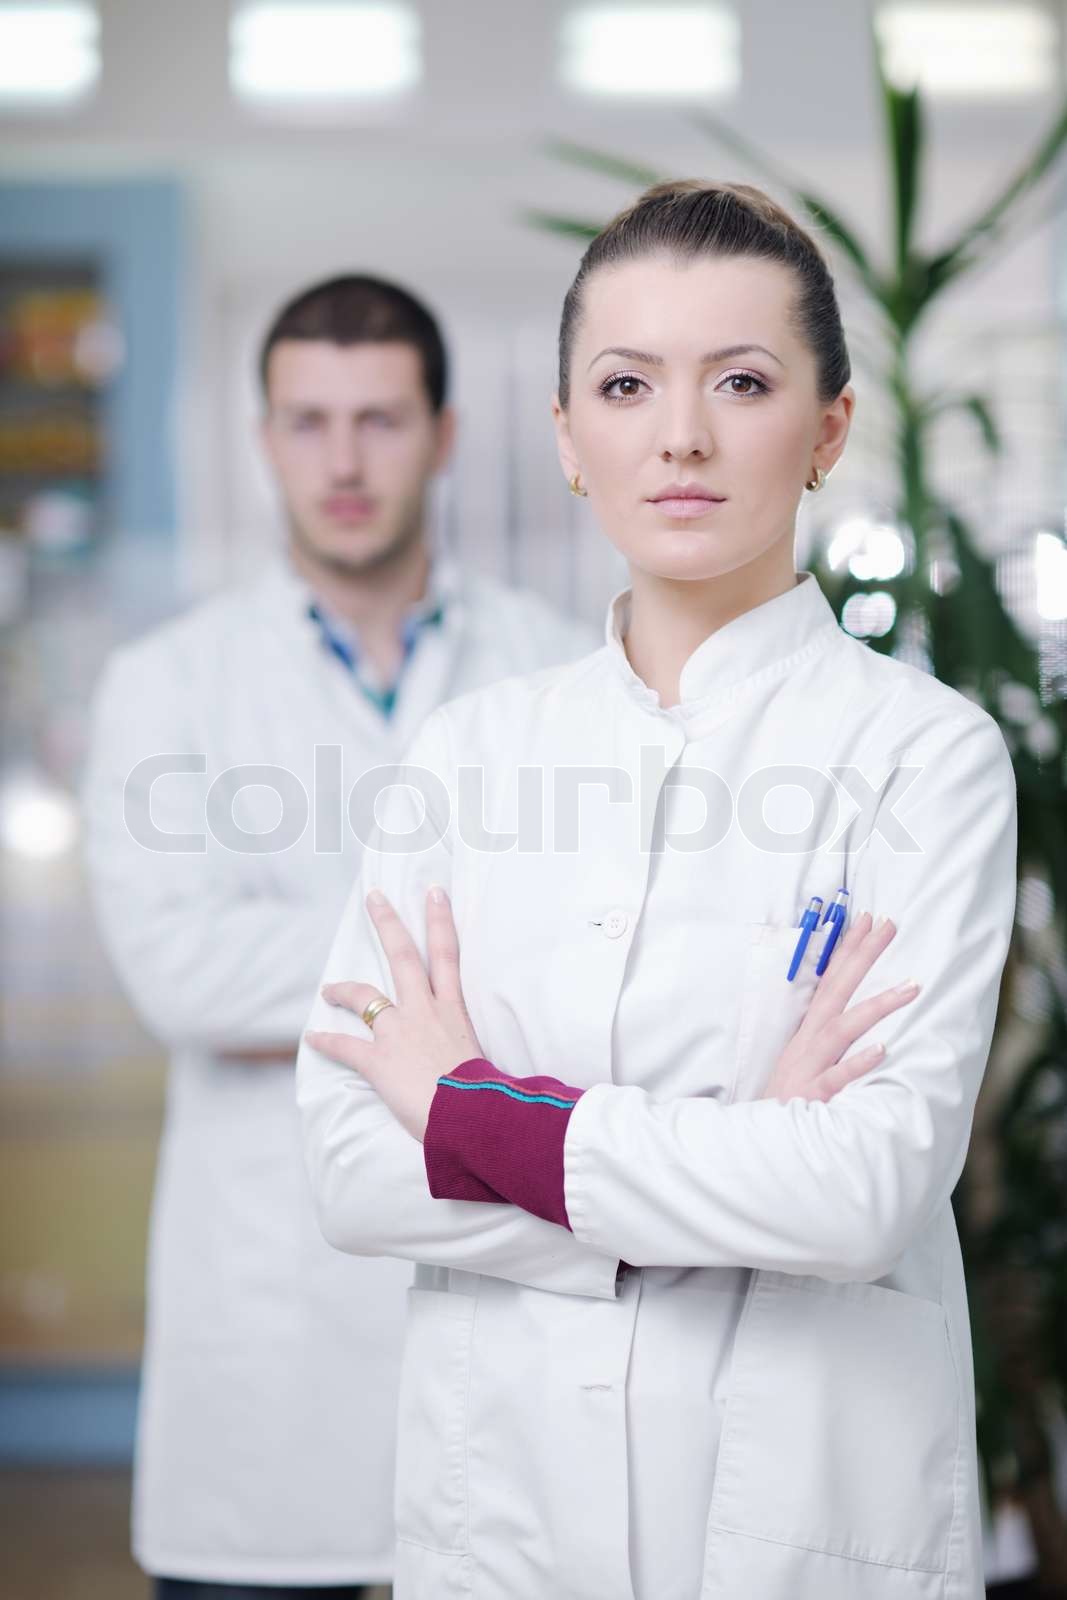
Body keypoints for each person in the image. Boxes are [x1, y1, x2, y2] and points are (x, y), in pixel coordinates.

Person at [296, 184, 1018, 1600]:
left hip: (799, 1529)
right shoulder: (471, 752)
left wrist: (470, 1110)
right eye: (626, 385)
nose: (680, 435)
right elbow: (349, 1164)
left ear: (827, 430)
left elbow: (863, 1191)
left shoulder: (928, 757)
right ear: (569, 437)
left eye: (742, 382)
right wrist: (735, 1163)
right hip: (503, 1522)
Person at [82, 273, 596, 1598]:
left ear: (443, 432)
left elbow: (594, 959)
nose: (345, 460)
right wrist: (463, 960)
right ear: (263, 441)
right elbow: (182, 978)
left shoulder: (556, 671)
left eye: (379, 419)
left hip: (495, 1295)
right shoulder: (166, 686)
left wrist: (307, 969)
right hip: (268, 1321)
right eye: (308, 423)